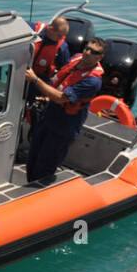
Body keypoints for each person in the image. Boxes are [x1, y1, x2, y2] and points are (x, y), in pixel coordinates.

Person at [24, 38, 106, 184]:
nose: (87, 53)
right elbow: (60, 83)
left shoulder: (92, 81)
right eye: (87, 48)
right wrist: (47, 98)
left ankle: (38, 193)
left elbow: (61, 98)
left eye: (94, 52)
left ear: (100, 57)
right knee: (33, 156)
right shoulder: (76, 59)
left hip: (64, 125)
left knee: (45, 164)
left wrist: (35, 80)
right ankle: (29, 185)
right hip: (49, 115)